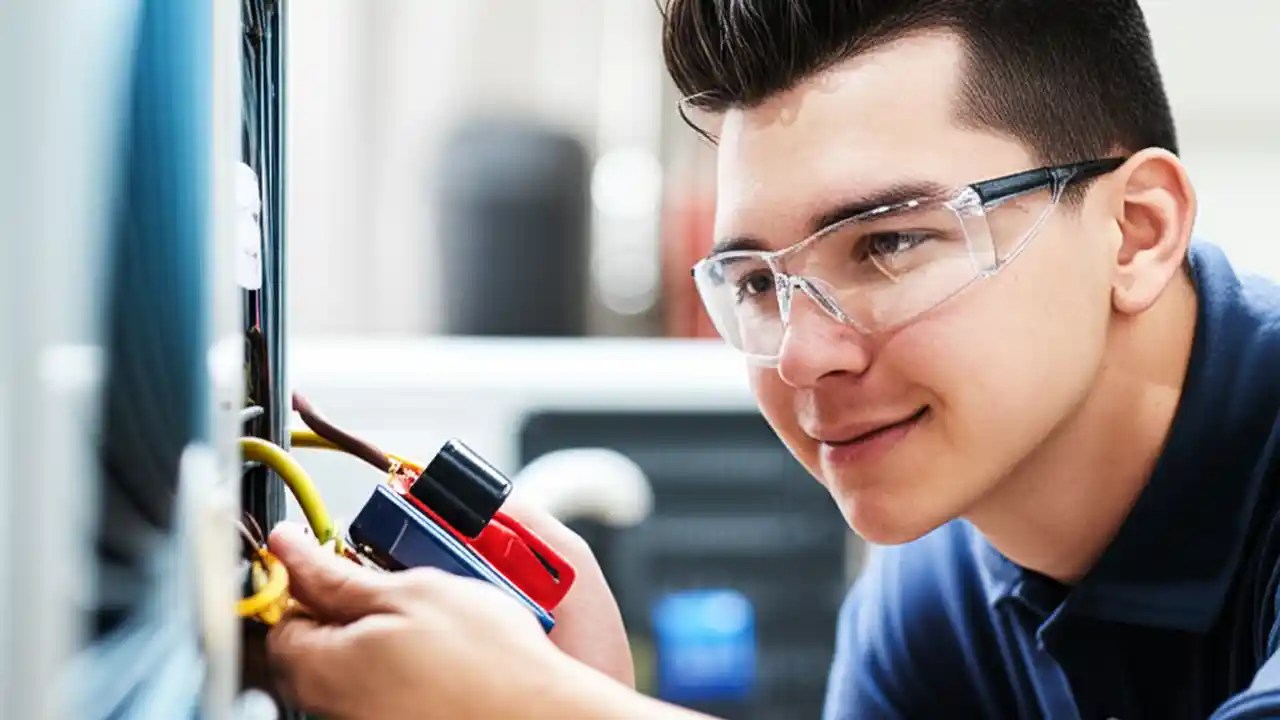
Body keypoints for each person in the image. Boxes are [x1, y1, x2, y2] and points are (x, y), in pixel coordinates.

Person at [267, 1, 1280, 718]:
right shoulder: (930, 598)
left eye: (887, 243)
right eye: (753, 283)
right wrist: (583, 689)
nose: (799, 356)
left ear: (1136, 231)